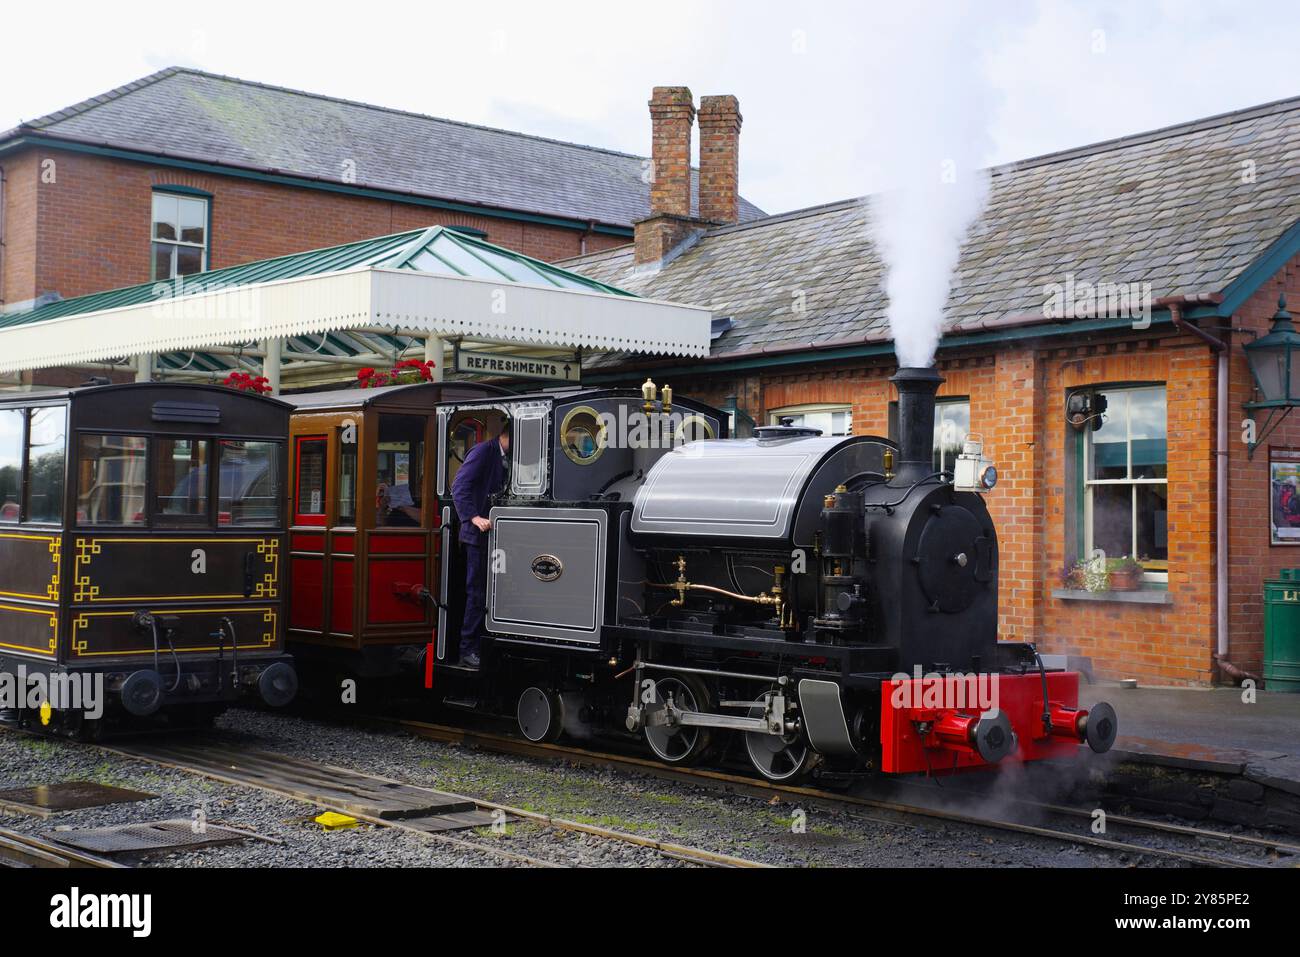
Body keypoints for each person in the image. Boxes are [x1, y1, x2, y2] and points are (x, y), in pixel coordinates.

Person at [451, 420, 509, 668]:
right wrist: (473, 517)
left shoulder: (505, 456)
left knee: (492, 592)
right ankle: (467, 647)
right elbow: (459, 486)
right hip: (478, 536)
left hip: (497, 537)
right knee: (477, 592)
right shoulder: (484, 451)